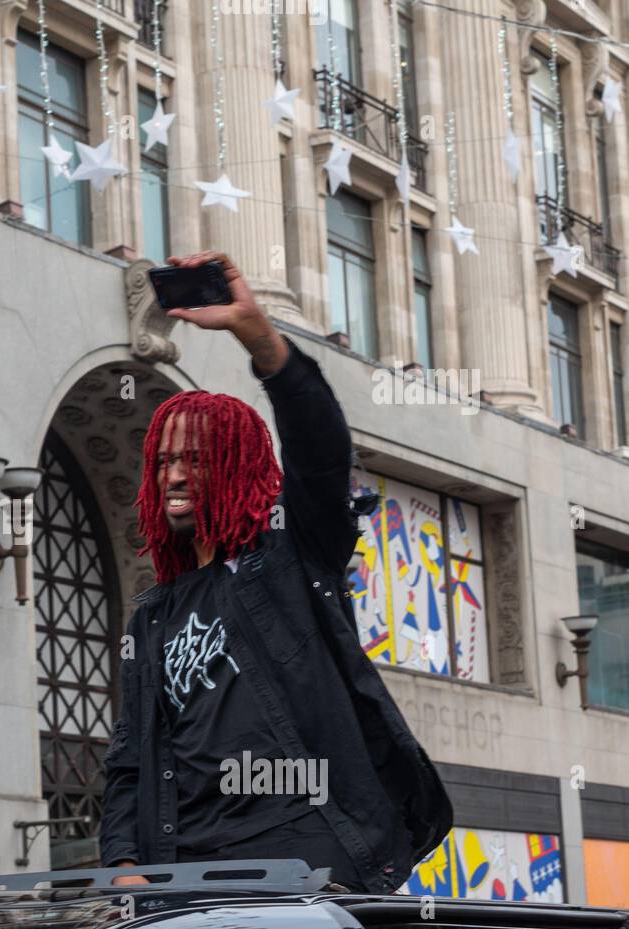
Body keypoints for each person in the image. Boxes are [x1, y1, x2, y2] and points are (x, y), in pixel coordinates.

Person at [101, 250, 452, 894]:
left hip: (304, 853)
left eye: (195, 459)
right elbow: (130, 755)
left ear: (236, 466)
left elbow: (320, 451)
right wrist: (124, 865)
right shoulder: (154, 614)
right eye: (163, 463)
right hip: (184, 866)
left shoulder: (288, 556)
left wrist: (255, 332)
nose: (174, 475)